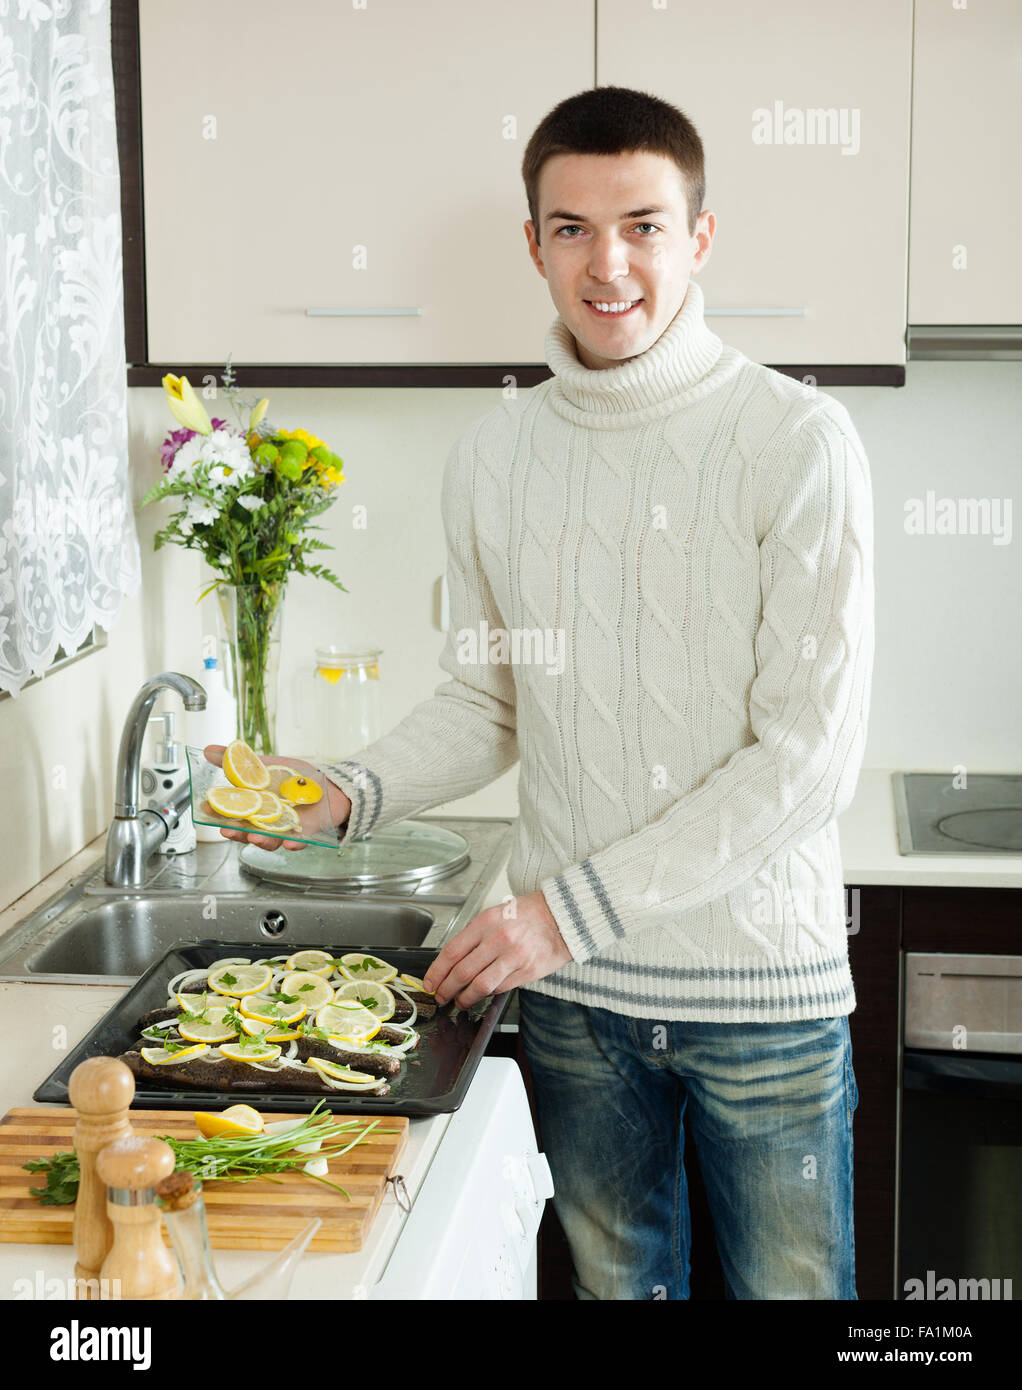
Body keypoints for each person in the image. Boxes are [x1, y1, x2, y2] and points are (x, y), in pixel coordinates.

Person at [208, 85, 874, 1301]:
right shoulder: (494, 455)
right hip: (576, 1007)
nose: (606, 261)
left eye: (642, 224)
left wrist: (559, 915)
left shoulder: (797, 440)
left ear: (699, 237)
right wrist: (339, 792)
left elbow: (804, 763)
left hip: (757, 994)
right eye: (570, 227)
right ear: (532, 245)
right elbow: (491, 701)